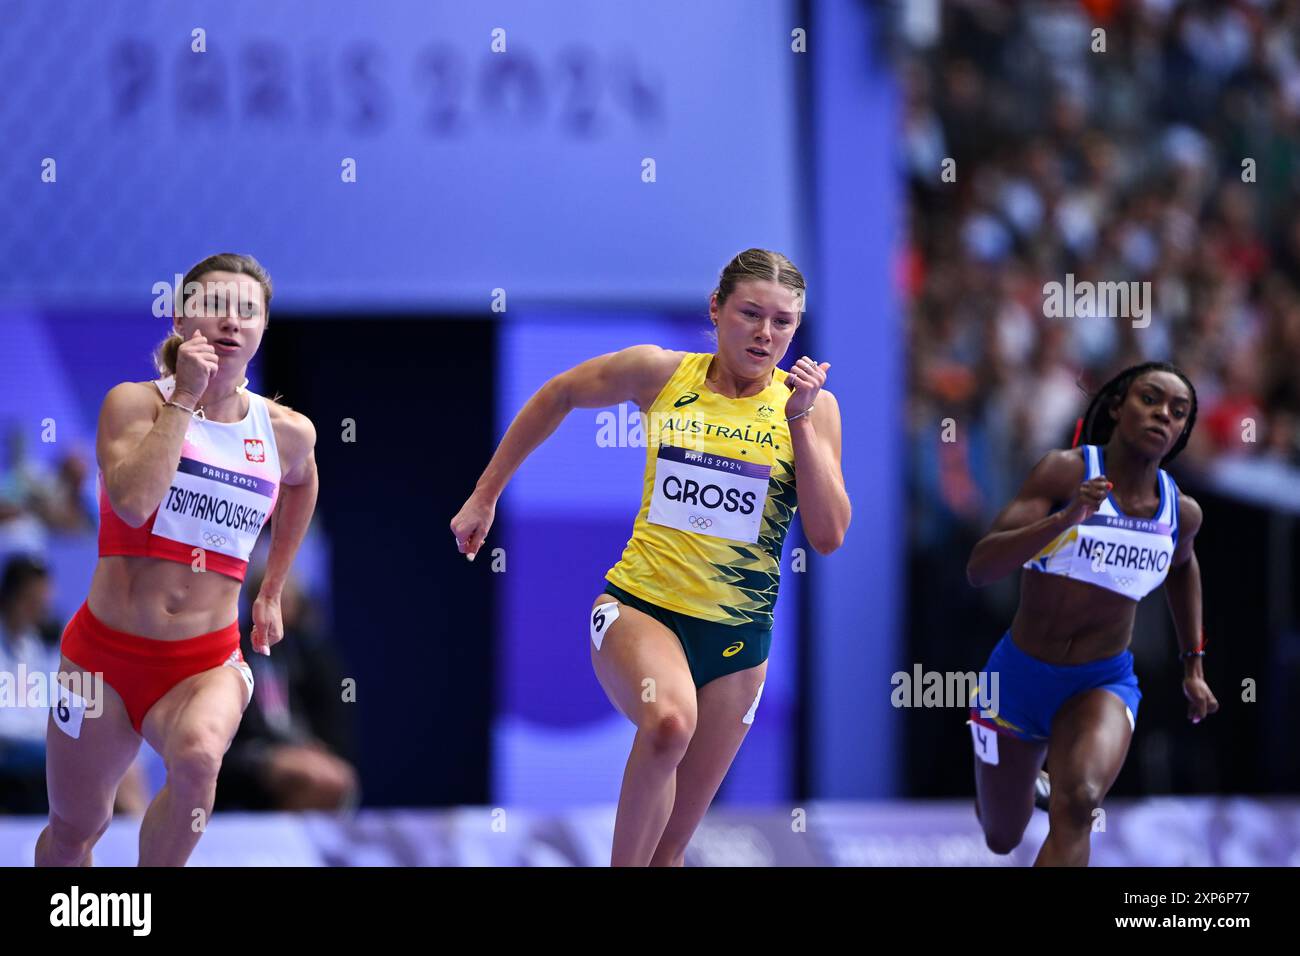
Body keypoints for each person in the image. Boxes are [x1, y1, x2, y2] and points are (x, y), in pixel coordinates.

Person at [451, 248, 850, 866]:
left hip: (739, 645)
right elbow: (558, 393)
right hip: (641, 609)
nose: (765, 334)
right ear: (716, 310)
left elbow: (828, 536)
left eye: (783, 322)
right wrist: (484, 495)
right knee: (668, 723)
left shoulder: (814, 409)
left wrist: (799, 423)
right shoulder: (660, 373)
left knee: (668, 853)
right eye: (750, 314)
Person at [36, 253, 319, 866]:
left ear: (263, 328)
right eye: (215, 304)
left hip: (204, 663)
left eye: (248, 310)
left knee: (195, 758)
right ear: (178, 315)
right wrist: (186, 397)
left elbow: (302, 481)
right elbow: (134, 503)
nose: (231, 320)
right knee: (72, 832)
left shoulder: (287, 432)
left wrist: (272, 588)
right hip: (102, 661)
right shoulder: (133, 405)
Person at [966, 362, 1219, 866]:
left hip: (1102, 681)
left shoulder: (1179, 512)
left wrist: (1193, 665)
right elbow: (981, 568)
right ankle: (1029, 773)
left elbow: (1183, 568)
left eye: (1178, 412)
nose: (1162, 416)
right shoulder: (1063, 471)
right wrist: (1067, 519)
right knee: (1002, 835)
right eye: (1150, 400)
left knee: (1079, 802)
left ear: (1183, 432)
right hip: (1016, 679)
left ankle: (1060, 776)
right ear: (1117, 405)